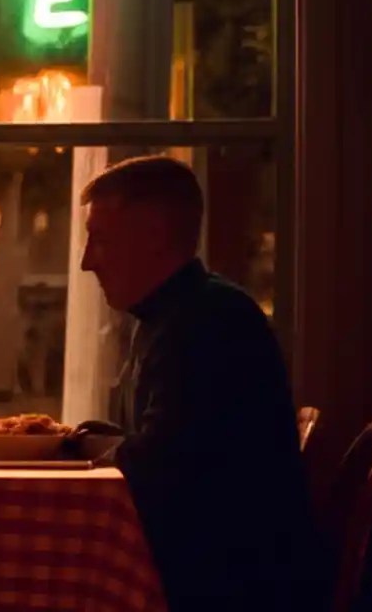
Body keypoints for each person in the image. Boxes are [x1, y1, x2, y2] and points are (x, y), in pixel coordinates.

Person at [76, 156, 320, 610]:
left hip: (228, 590)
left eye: (100, 240)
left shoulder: (205, 324)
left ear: (151, 238)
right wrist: (77, 443)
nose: (87, 262)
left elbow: (156, 469)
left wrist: (69, 456)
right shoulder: (182, 313)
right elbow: (165, 448)